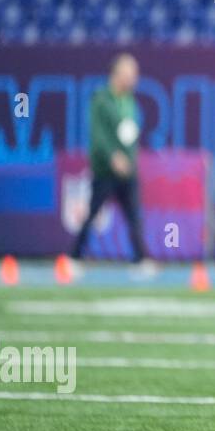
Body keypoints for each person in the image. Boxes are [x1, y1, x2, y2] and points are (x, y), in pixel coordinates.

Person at [70, 52, 153, 275]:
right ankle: (75, 257)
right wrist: (113, 157)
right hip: (106, 170)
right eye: (130, 72)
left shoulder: (129, 100)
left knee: (134, 215)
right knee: (93, 212)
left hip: (128, 171)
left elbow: (130, 134)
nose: (134, 77)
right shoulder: (101, 99)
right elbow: (98, 136)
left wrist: (131, 159)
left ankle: (140, 260)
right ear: (117, 74)